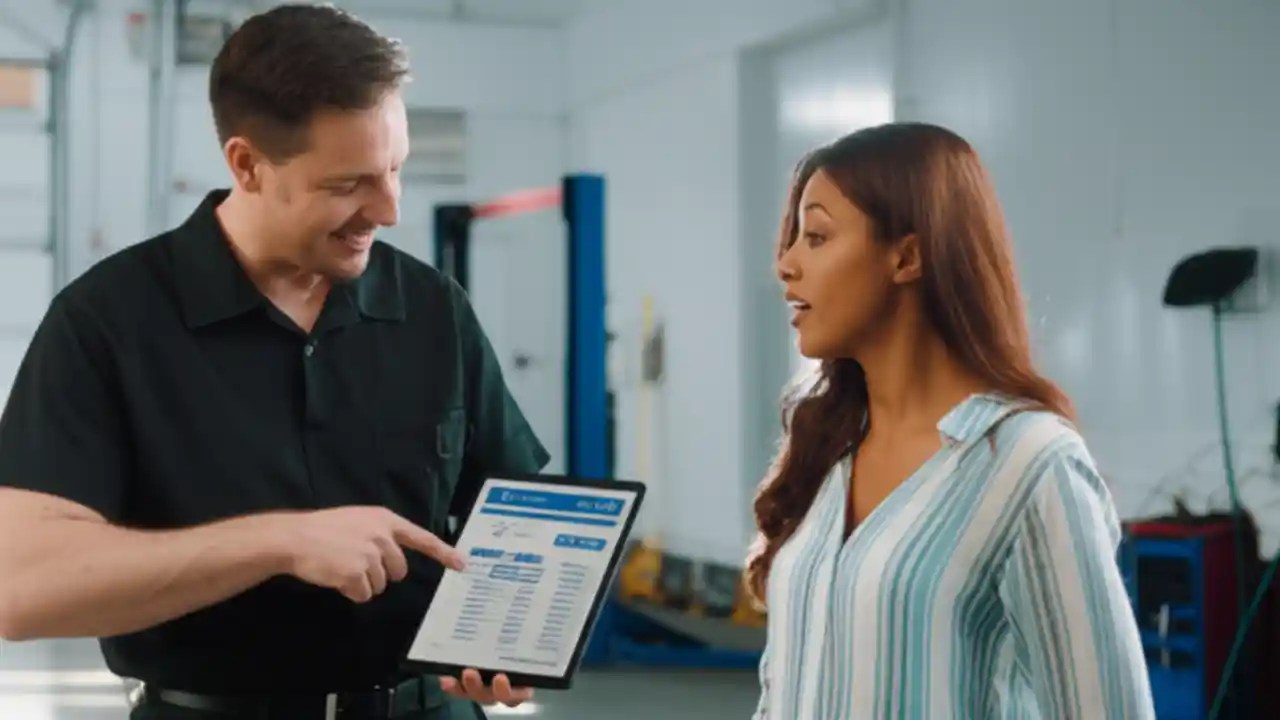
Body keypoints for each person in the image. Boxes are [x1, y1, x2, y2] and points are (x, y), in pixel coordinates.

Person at [0, 5, 548, 719]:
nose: (388, 210)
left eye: (395, 169)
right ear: (247, 164)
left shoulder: (432, 308)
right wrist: (278, 540)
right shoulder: (107, 323)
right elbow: (22, 591)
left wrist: (512, 634)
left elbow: (517, 518)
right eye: (348, 184)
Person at [745, 122, 1155, 719]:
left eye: (817, 237)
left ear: (907, 256)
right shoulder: (830, 450)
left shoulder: (1028, 463)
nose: (785, 264)